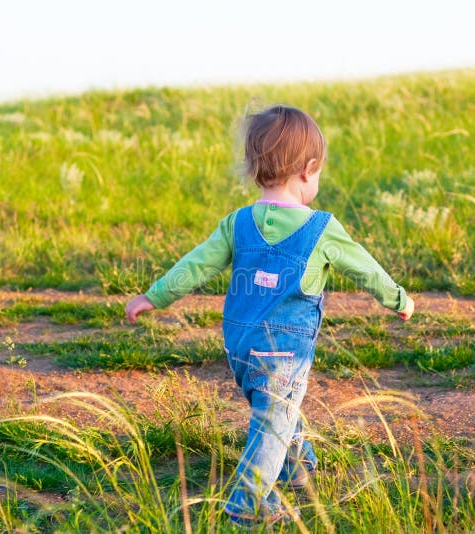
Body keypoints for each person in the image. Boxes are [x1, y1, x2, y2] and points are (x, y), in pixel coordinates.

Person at [125, 105, 414, 527]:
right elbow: (364, 267)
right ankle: (248, 506)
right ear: (307, 169)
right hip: (285, 352)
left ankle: (298, 467)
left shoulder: (237, 222)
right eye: (318, 173)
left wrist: (155, 295)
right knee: (272, 422)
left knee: (274, 410)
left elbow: (197, 264)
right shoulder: (321, 227)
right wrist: (398, 298)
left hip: (238, 347)